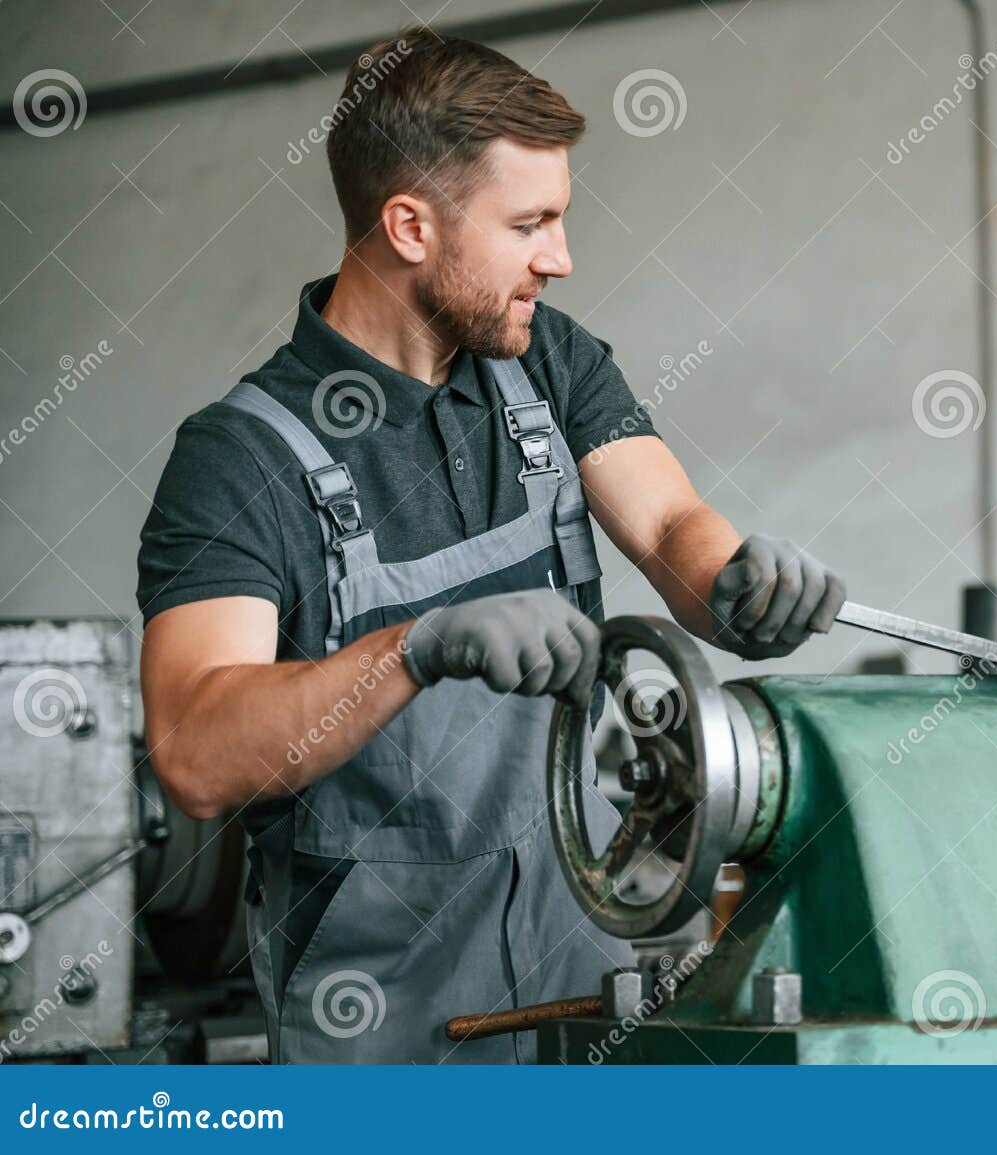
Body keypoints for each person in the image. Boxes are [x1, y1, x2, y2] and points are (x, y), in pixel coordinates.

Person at [136, 28, 845, 1063]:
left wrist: (737, 583)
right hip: (382, 1034)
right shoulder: (240, 457)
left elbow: (667, 526)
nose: (559, 258)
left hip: (598, 980)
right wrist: (412, 650)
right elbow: (197, 753)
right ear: (410, 225)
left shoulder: (548, 364)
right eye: (529, 224)